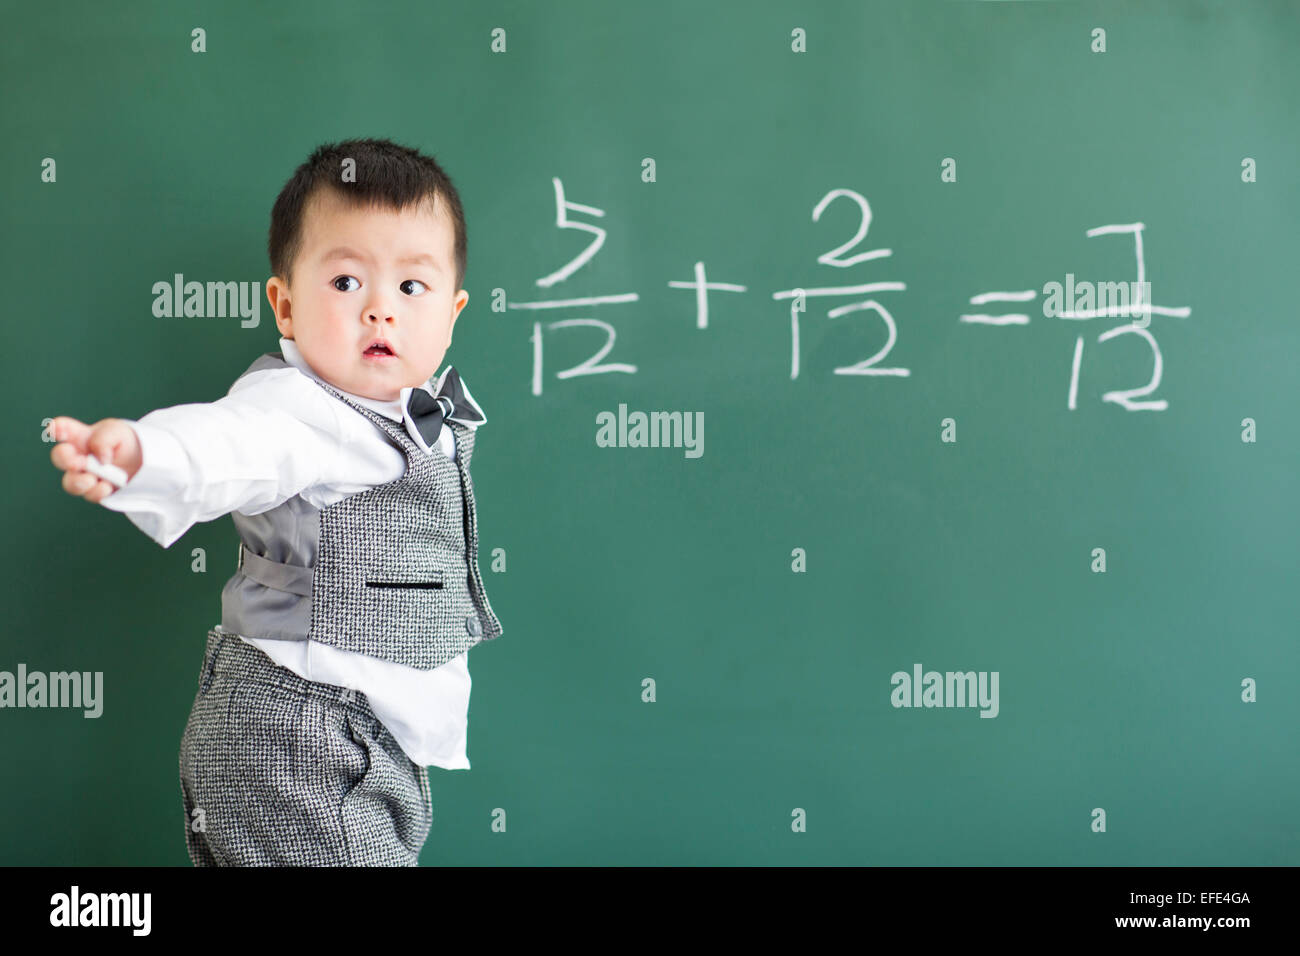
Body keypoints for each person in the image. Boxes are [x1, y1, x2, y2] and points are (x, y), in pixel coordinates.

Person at [47, 137, 504, 865]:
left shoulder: (414, 423)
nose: (380, 310)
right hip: (303, 737)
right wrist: (141, 455)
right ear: (285, 305)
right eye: (348, 282)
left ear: (451, 314)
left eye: (410, 288)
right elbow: (228, 443)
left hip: (356, 743)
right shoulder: (297, 408)